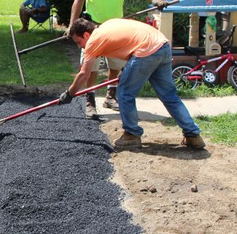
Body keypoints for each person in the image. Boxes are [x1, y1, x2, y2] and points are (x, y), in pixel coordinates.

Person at [60, 18, 205, 150]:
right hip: (162, 45)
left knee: (125, 92)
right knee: (169, 95)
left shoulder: (93, 41)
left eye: (78, 42)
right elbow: (131, 42)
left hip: (147, 50)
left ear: (86, 35)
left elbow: (84, 74)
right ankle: (193, 135)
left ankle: (131, 135)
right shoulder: (106, 26)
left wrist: (69, 94)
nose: (79, 46)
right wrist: (128, 69)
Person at [68, 0, 168, 118]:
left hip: (116, 28)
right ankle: (90, 102)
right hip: (93, 27)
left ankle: (110, 96)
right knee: (91, 67)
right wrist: (72, 26)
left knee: (115, 64)